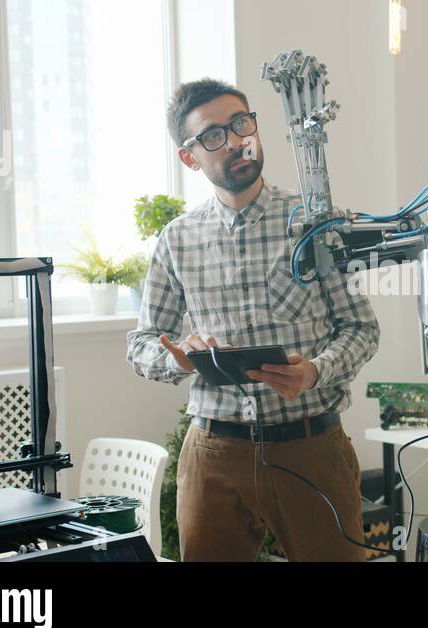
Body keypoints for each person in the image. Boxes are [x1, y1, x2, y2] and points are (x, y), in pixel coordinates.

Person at [126, 78, 380, 562]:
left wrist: (315, 371)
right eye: (214, 134)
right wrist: (179, 360)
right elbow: (140, 344)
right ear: (190, 157)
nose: (237, 140)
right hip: (214, 454)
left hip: (311, 447)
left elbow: (361, 329)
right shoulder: (176, 240)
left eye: (241, 123)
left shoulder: (313, 223)